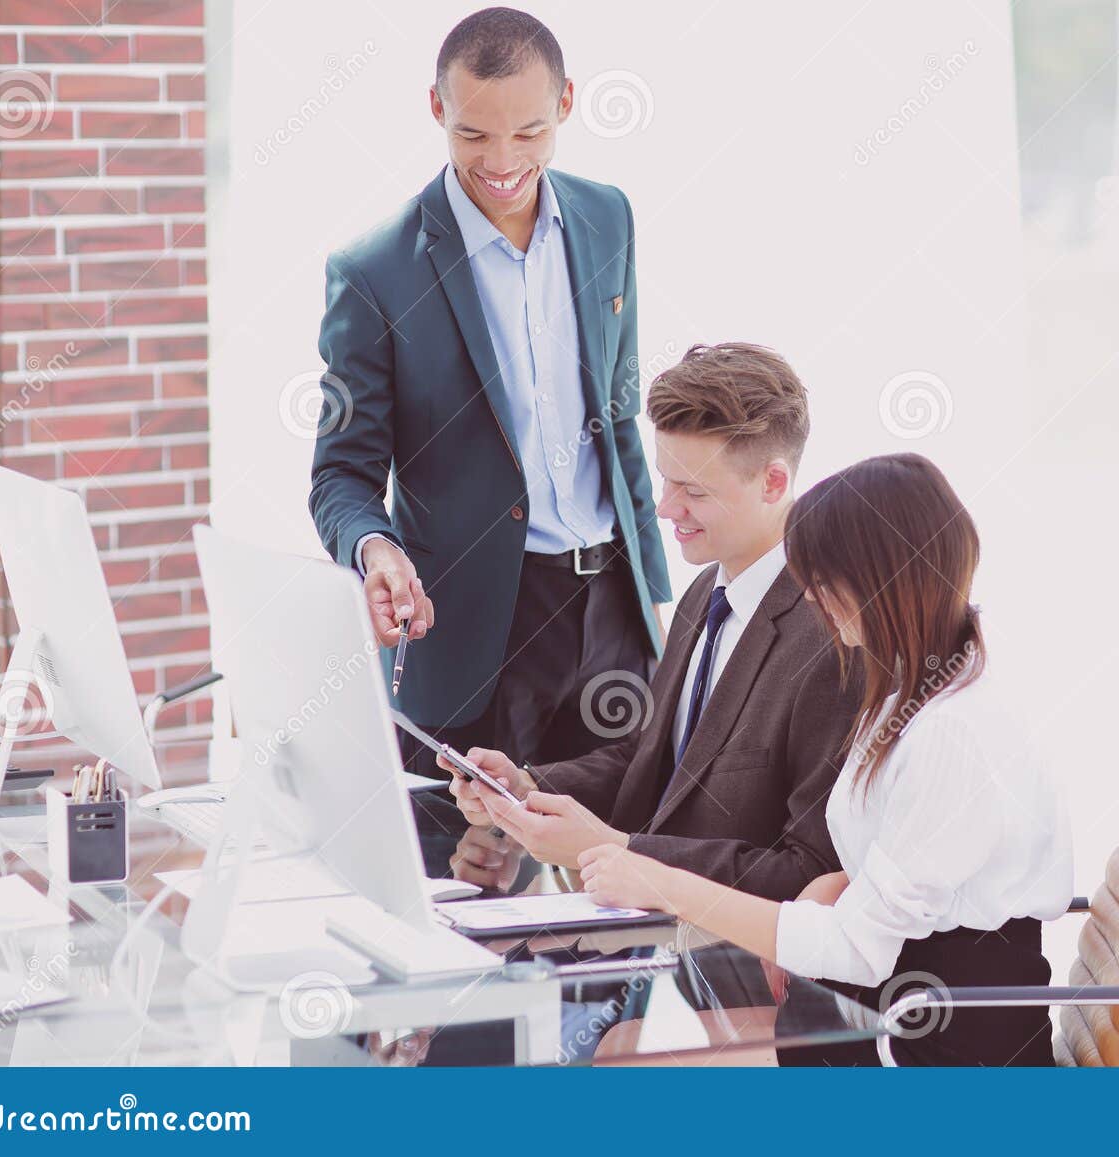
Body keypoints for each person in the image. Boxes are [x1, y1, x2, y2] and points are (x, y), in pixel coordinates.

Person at [573, 453, 1075, 1066]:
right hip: (890, 1005)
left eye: (823, 578)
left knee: (625, 1063)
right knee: (623, 1048)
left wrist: (663, 883)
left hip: (936, 1045)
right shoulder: (916, 687)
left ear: (881, 579)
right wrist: (828, 887)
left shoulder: (951, 731)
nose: (811, 596)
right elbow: (915, 864)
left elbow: (858, 949)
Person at [309, 8, 669, 772]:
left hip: (613, 611)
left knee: (625, 872)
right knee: (463, 879)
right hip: (473, 633)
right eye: (473, 134)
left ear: (567, 103)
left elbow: (620, 407)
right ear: (437, 108)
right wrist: (375, 549)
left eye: (529, 133)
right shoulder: (374, 274)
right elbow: (342, 471)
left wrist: (653, 595)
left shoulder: (609, 216)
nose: (503, 161)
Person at [445, 344, 861, 900]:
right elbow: (656, 764)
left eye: (693, 491)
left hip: (741, 967)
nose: (665, 509)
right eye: (665, 481)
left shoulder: (837, 637)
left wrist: (621, 851)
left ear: (773, 484)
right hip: (662, 947)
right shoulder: (703, 596)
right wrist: (527, 788)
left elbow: (810, 871)